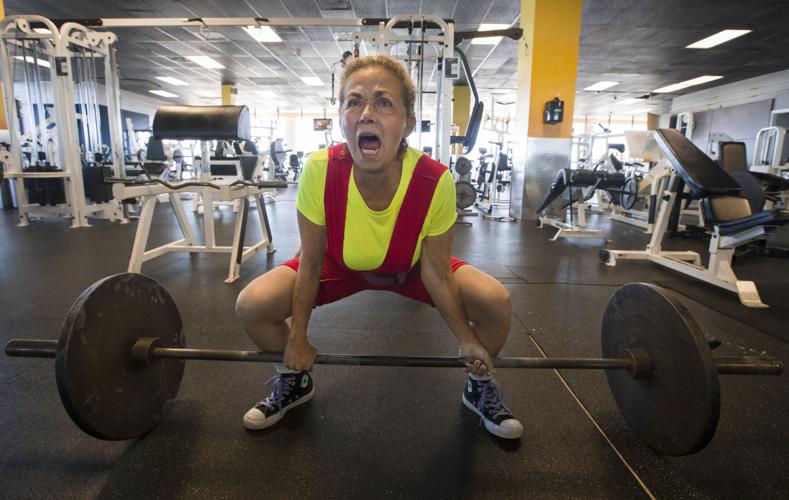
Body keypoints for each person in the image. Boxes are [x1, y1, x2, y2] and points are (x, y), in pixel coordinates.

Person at [236, 55, 523, 439]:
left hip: (413, 266)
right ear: (342, 117)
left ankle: (480, 387)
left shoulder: (434, 180)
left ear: (406, 124)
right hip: (337, 266)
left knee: (495, 302)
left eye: (383, 102)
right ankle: (293, 382)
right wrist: (297, 338)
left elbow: (437, 273)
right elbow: (310, 261)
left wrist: (466, 339)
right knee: (252, 305)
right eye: (353, 101)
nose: (366, 113)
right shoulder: (319, 170)